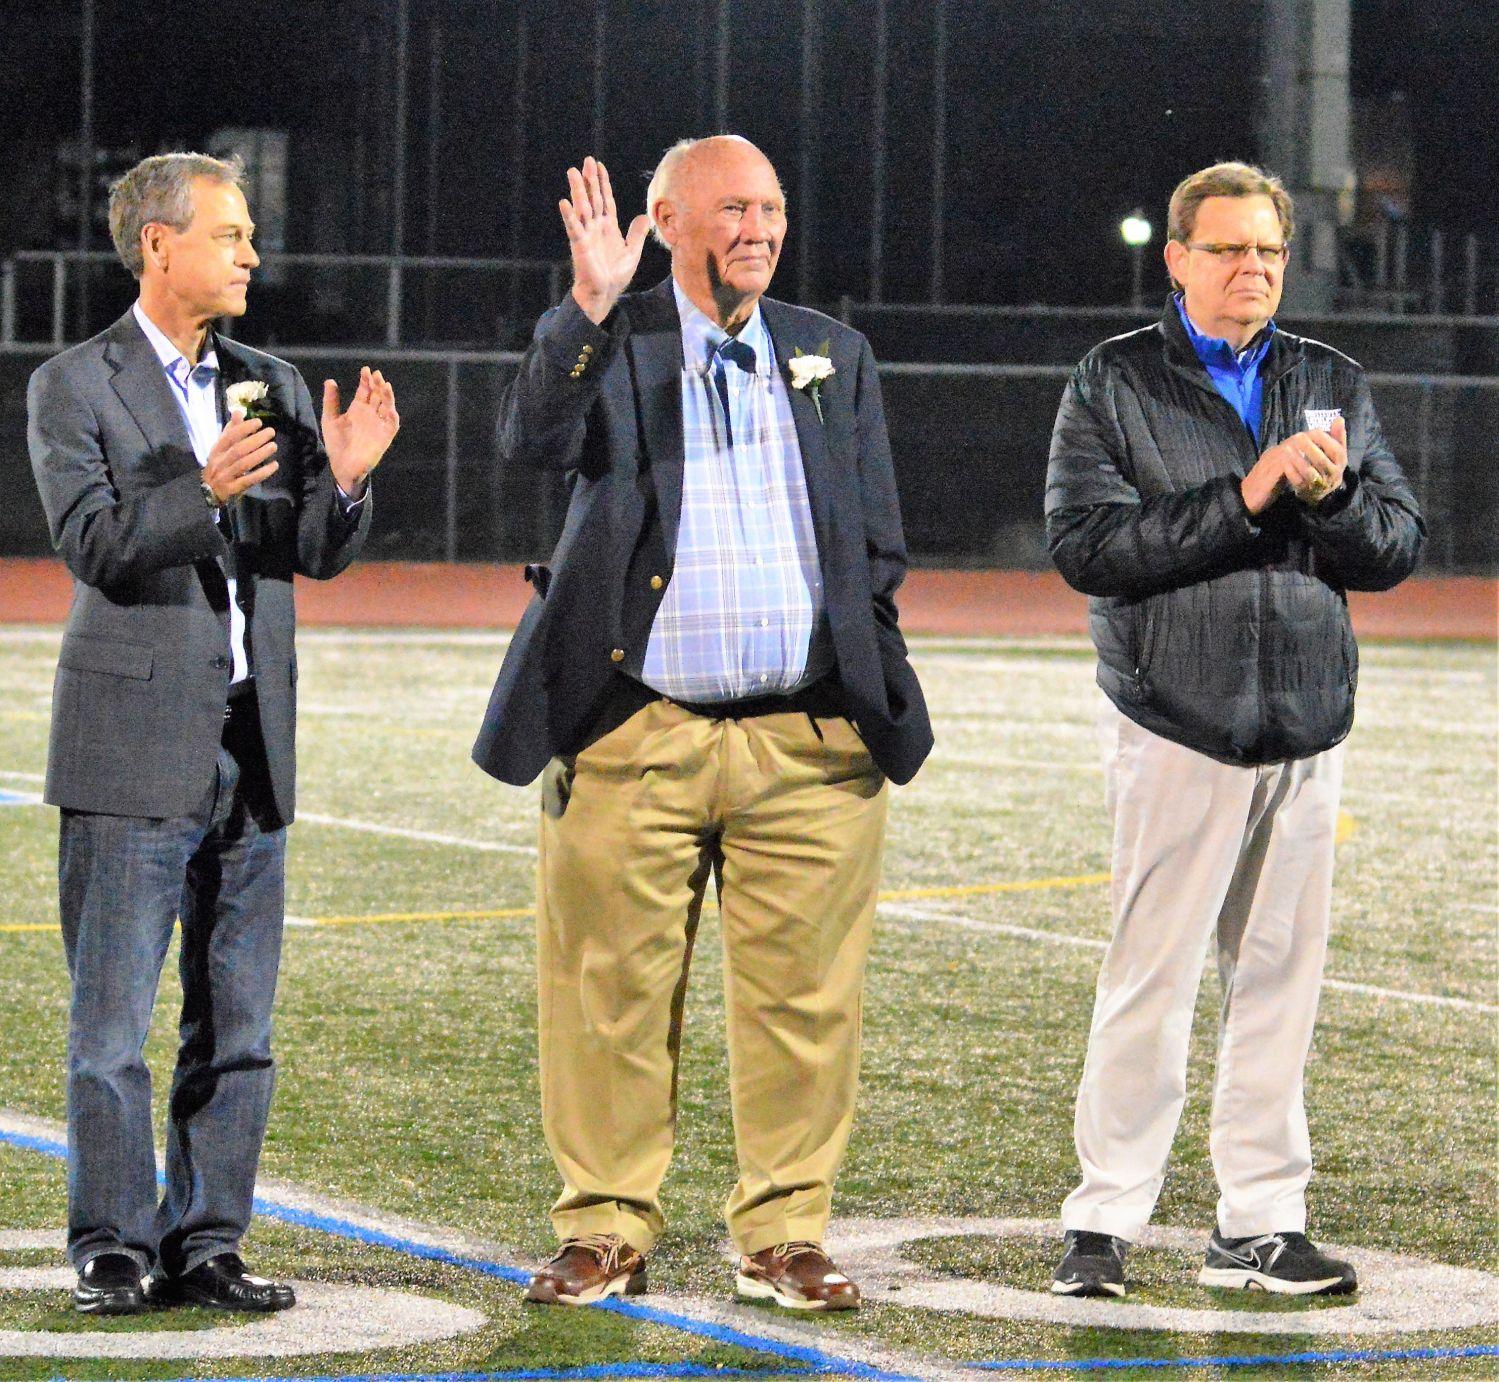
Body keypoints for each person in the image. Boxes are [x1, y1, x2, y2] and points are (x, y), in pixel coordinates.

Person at [473, 136, 931, 1310]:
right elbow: (528, 437)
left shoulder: (832, 351)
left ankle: (783, 1230)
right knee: (607, 994)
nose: (759, 228)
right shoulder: (614, 346)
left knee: (804, 1002)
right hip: (638, 728)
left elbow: (874, 538)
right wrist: (584, 303)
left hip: (807, 741)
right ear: (665, 220)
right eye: (733, 208)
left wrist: (856, 663)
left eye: (772, 207)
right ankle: (605, 1225)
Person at [1043, 162, 1424, 1299]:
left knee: (1277, 978)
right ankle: (1101, 1220)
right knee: (1147, 975)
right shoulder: (1111, 380)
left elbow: (1395, 545)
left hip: (1304, 723)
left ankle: (1257, 1220)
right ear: (1175, 259)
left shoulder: (1328, 377)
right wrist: (1250, 495)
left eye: (1265, 250)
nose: (1250, 269)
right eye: (1225, 250)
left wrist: (1333, 501)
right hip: (1175, 718)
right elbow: (1087, 548)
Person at [27, 152, 398, 1315]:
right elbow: (92, 543)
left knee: (238, 1022)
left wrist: (340, 483)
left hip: (253, 738)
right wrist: (206, 490)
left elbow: (312, 554)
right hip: (129, 739)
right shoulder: (72, 385)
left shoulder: (272, 380)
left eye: (249, 235)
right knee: (112, 1029)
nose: (252, 254)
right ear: (157, 245)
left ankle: (209, 1240)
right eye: (231, 235)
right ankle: (110, 1241)